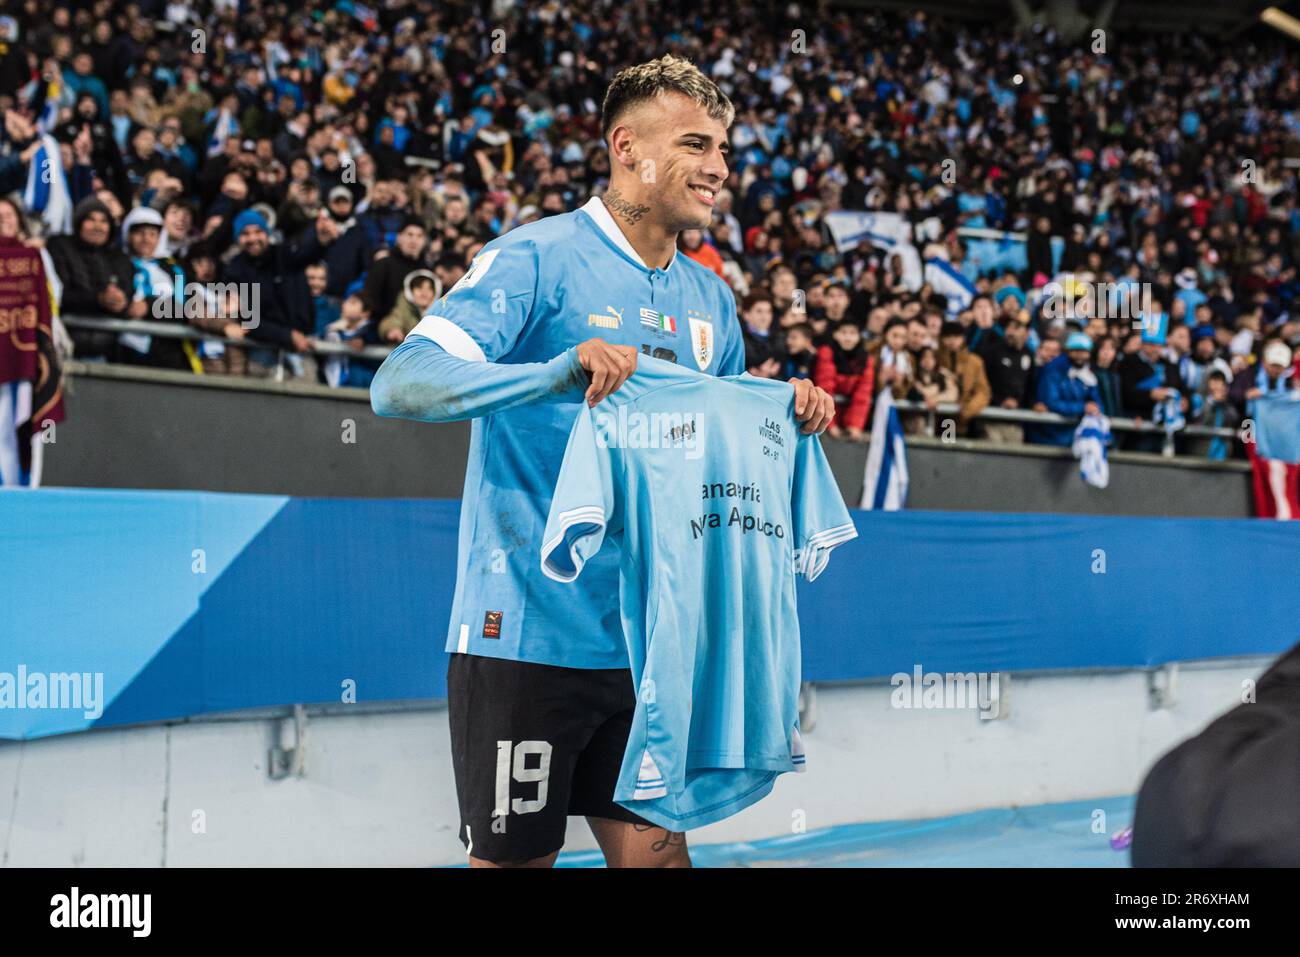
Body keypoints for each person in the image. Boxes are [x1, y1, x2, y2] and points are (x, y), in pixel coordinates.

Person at [369, 55, 833, 869]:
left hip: (647, 644)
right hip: (525, 635)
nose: (719, 168)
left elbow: (711, 468)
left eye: (723, 149)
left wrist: (785, 419)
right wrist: (553, 371)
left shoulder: (711, 300)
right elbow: (399, 382)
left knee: (660, 861)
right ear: (627, 147)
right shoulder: (535, 257)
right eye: (695, 144)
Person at [1026, 332, 1102, 446]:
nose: (1080, 355)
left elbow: (1096, 402)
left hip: (1072, 437)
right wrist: (1083, 408)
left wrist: (1096, 408)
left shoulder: (1088, 374)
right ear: (1068, 351)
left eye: (1084, 351)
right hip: (1047, 436)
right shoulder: (1053, 370)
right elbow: (1051, 402)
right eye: (1076, 351)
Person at [976, 313, 1033, 443]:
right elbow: (983, 382)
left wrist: (1026, 403)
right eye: (1009, 327)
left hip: (1015, 417)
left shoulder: (1028, 354)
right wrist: (999, 401)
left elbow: (1030, 385)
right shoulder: (992, 352)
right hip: (991, 414)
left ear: (1027, 333)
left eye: (1017, 327)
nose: (1011, 332)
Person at [814, 320, 874, 440]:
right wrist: (829, 423)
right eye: (844, 332)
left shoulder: (866, 359)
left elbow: (863, 394)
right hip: (821, 418)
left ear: (858, 337)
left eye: (852, 333)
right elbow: (825, 389)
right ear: (835, 334)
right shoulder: (826, 353)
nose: (848, 337)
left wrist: (855, 425)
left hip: (846, 418)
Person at [937, 320, 991, 436]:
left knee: (963, 451)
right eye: (947, 336)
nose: (952, 340)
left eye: (956, 336)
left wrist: (966, 412)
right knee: (943, 449)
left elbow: (983, 392)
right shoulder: (933, 359)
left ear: (963, 338)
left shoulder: (975, 362)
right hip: (940, 417)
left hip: (967, 421)